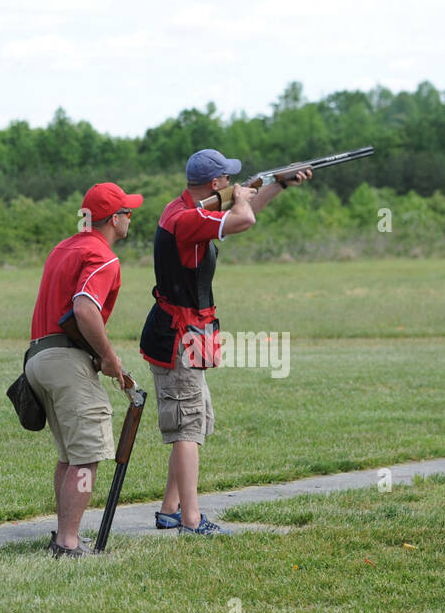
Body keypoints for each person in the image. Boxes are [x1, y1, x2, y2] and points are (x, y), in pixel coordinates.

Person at [139, 149, 309, 535]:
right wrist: (245, 198)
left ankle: (171, 509)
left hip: (191, 331)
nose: (234, 180)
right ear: (215, 184)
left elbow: (241, 214)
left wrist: (278, 184)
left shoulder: (184, 209)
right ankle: (191, 520)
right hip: (178, 335)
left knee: (194, 422)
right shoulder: (186, 218)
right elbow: (243, 217)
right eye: (228, 178)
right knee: (187, 426)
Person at [27, 182, 141, 556]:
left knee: (70, 456)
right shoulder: (103, 256)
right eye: (127, 211)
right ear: (113, 219)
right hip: (65, 362)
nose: (130, 216)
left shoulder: (65, 246)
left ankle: (63, 535)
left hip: (37, 357)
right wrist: (108, 358)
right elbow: (83, 308)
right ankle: (69, 542)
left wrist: (100, 353)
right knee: (87, 456)